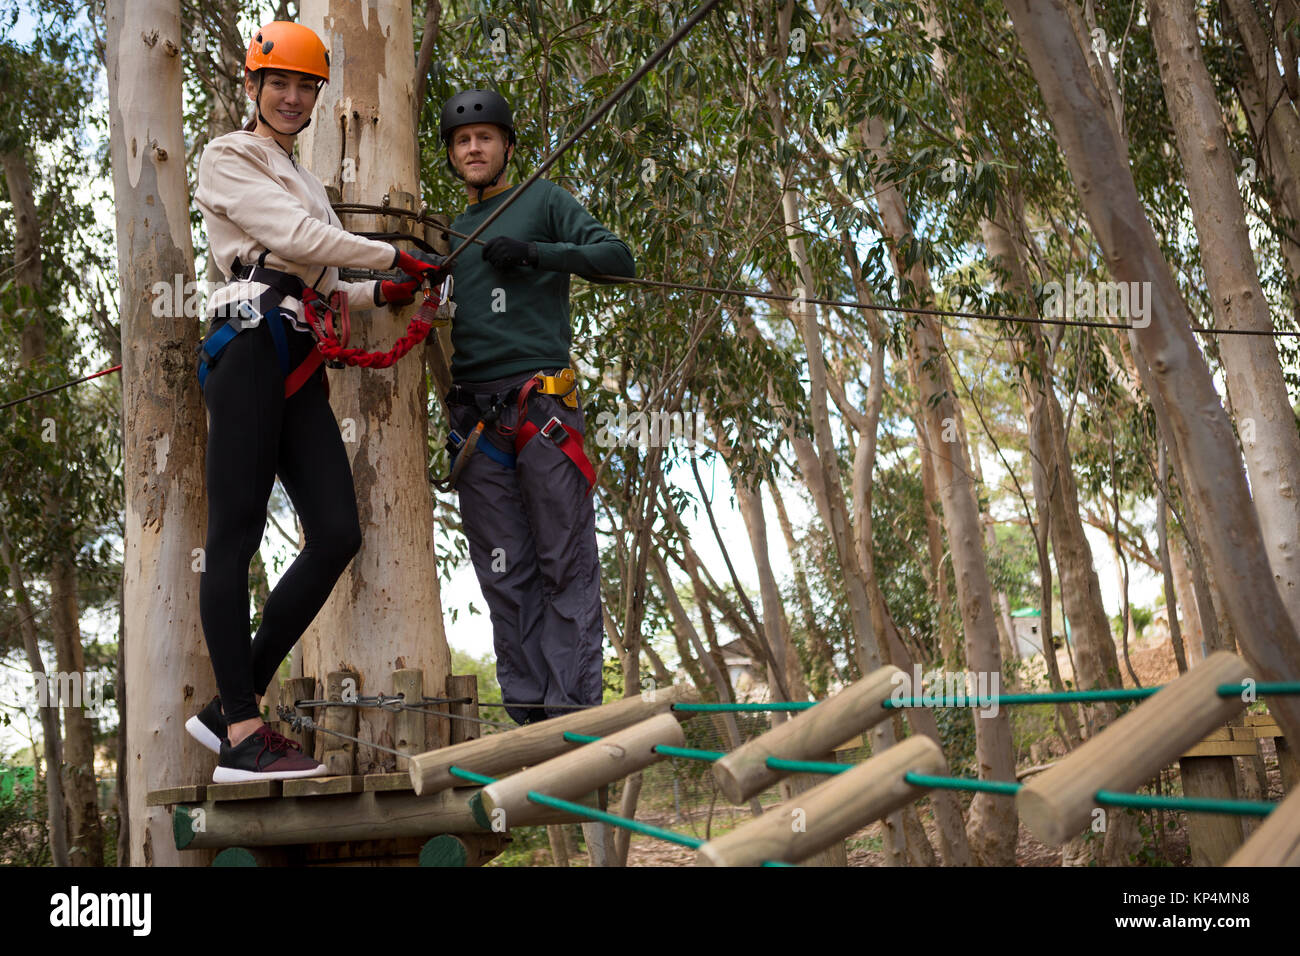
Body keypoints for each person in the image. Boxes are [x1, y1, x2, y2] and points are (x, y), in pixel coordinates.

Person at [185, 21, 447, 781]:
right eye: (280, 84)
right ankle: (240, 731)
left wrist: (390, 287)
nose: (294, 98)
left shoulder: (306, 181)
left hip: (296, 349)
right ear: (253, 87)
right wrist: (395, 253)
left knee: (336, 532)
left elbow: (326, 279)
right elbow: (294, 239)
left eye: (306, 87)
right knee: (233, 536)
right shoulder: (228, 156)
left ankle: (230, 705)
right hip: (246, 343)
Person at [438, 90, 635, 726]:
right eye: (463, 141)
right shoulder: (446, 235)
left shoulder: (542, 202)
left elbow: (619, 260)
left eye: (486, 138)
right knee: (504, 575)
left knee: (563, 562)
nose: (474, 148)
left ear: (507, 148)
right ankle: (530, 720)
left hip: (541, 408)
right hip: (475, 424)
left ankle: (572, 715)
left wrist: (536, 253)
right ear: (451, 155)